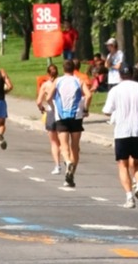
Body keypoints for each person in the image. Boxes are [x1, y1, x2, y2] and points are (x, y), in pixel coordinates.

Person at [102, 65, 138, 209]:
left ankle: (129, 197)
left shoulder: (115, 90)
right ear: (133, 74)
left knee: (123, 164)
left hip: (122, 131)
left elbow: (107, 111)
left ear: (120, 76)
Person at [43, 59, 91, 187]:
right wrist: (85, 108)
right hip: (76, 117)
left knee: (64, 145)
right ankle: (71, 176)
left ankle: (68, 162)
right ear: (74, 69)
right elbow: (89, 95)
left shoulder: (58, 81)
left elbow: (48, 98)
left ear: (63, 69)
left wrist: (53, 108)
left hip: (61, 116)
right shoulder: (78, 80)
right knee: (75, 146)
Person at [35, 64, 63, 172]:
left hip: (51, 113)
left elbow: (38, 101)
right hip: (63, 114)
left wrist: (41, 108)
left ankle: (57, 166)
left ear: (48, 73)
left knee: (54, 142)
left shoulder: (45, 85)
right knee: (63, 141)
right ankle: (67, 159)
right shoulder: (62, 82)